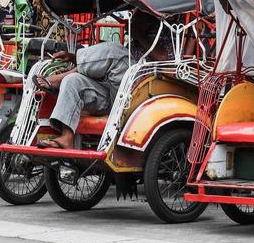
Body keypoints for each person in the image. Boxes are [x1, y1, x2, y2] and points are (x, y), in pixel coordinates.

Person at [40, 13, 163, 150]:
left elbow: (164, 58)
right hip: (114, 93)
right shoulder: (134, 42)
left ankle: (65, 71)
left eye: (138, 15)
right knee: (72, 81)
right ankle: (67, 137)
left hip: (142, 92)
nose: (133, 18)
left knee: (116, 52)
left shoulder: (163, 36)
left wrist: (139, 34)